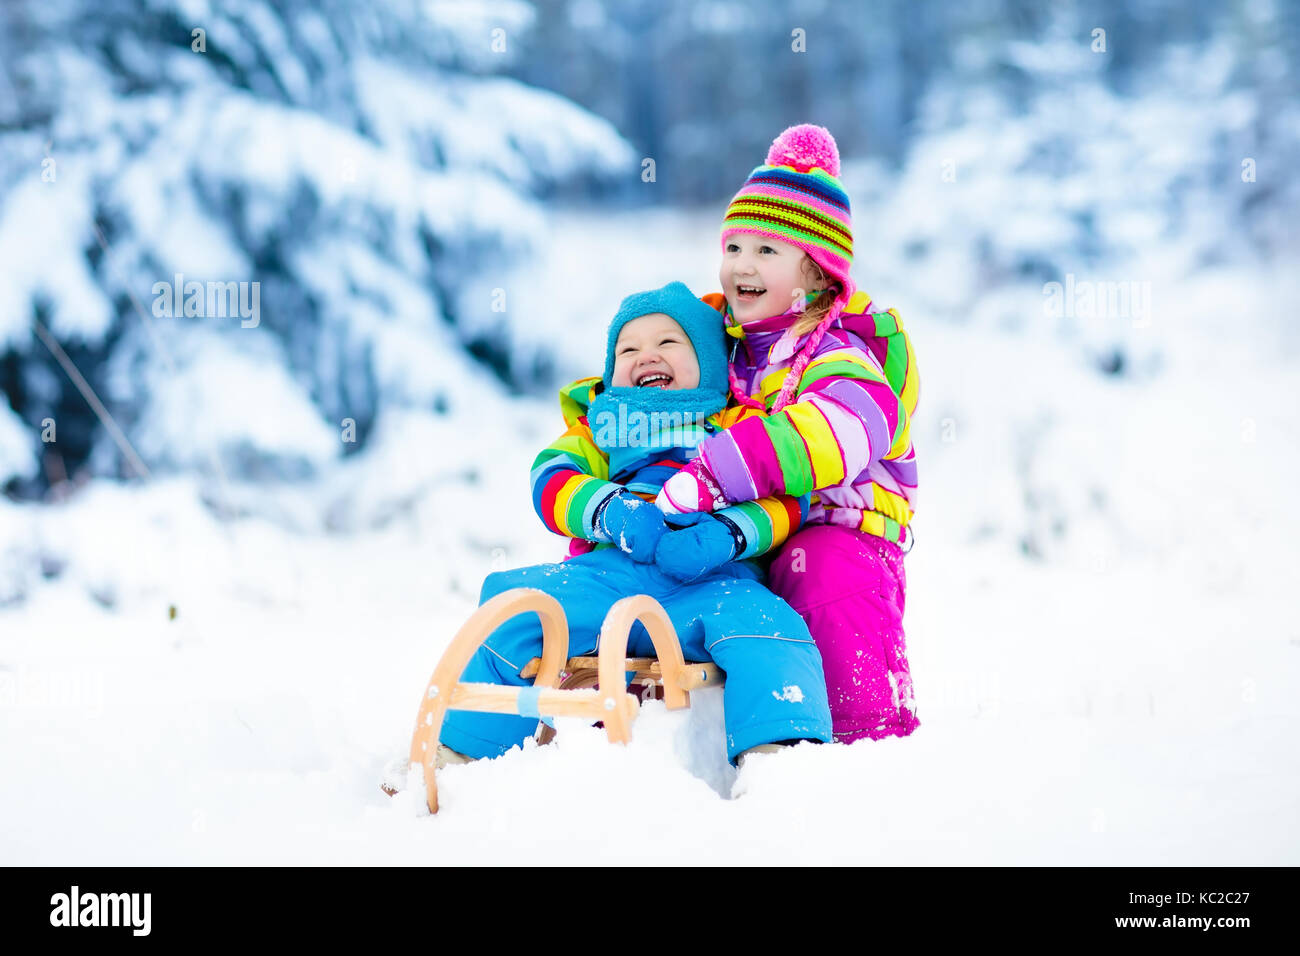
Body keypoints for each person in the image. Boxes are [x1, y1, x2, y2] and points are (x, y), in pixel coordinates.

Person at [436, 281, 833, 769]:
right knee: (518, 608)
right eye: (628, 349)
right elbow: (549, 477)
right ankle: (460, 752)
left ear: (708, 362)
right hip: (608, 578)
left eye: (668, 343)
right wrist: (608, 510)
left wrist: (727, 534)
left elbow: (786, 501)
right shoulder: (600, 428)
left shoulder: (738, 423)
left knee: (770, 627)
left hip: (713, 582)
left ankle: (779, 755)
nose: (647, 355)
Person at [654, 124, 923, 744]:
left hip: (842, 531)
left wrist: (719, 468)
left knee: (823, 574)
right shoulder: (716, 350)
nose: (741, 266)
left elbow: (841, 425)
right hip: (753, 527)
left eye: (767, 252)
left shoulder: (843, 353)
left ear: (819, 275)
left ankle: (866, 732)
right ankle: (670, 727)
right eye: (734, 247)